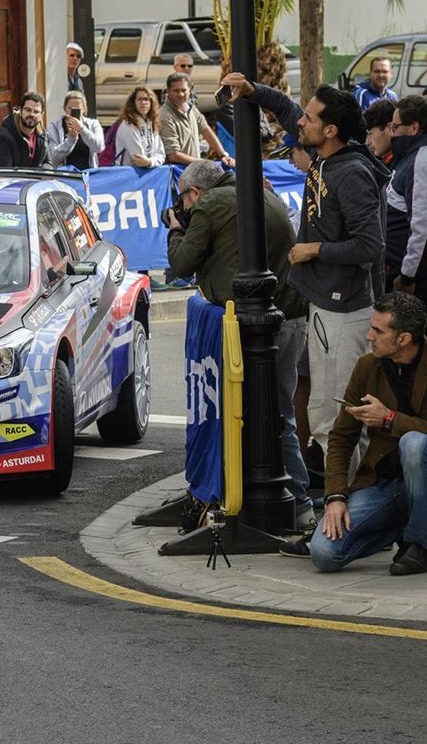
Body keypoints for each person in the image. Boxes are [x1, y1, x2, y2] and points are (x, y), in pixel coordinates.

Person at [224, 74, 386, 471]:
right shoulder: (326, 155)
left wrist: (315, 249)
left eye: (311, 119)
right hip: (325, 307)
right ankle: (342, 506)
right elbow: (287, 110)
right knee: (324, 413)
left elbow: (371, 246)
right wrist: (252, 91)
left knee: (337, 420)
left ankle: (348, 517)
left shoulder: (349, 174)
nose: (301, 123)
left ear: (330, 131)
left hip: (344, 312)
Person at [165, 160, 315, 529]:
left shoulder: (210, 204)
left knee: (272, 414)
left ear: (195, 192)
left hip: (261, 323)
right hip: (289, 314)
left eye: (184, 200)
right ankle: (280, 499)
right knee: (272, 411)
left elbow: (181, 263)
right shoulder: (258, 192)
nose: (183, 207)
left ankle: (299, 505)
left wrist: (174, 230)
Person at [288, 292, 427, 574]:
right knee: (324, 553)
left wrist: (389, 419)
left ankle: (418, 544)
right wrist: (335, 497)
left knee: (414, 444)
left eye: (378, 330)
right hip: (385, 482)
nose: (368, 335)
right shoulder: (367, 366)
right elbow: (341, 437)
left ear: (403, 339)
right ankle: (403, 526)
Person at [388, 96, 427, 301]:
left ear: (413, 128)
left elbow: (421, 226)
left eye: (395, 127)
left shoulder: (420, 162)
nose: (391, 134)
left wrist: (406, 276)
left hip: (415, 280)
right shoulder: (411, 156)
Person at [160, 72, 234, 167]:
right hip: (177, 174)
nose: (181, 94)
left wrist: (223, 154)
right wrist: (203, 164)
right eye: (176, 91)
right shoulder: (164, 116)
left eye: (183, 90)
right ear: (168, 91)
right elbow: (173, 155)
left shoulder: (191, 109)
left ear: (190, 90)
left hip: (194, 170)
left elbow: (205, 129)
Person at [0, 92, 52, 169]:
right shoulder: (2, 137)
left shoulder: (42, 135)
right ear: (21, 111)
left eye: (36, 112)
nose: (31, 114)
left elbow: (47, 163)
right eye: (28, 110)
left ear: (42, 115)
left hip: (32, 180)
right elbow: (6, 174)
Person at [45, 90, 105, 170]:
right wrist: (71, 139)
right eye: (70, 108)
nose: (72, 112)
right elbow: (53, 158)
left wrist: (82, 129)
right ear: (65, 109)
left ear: (84, 109)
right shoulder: (55, 127)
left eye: (77, 109)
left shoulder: (93, 124)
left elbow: (99, 147)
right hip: (65, 177)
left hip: (88, 176)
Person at [113, 87, 165, 167]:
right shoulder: (128, 125)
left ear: (151, 102)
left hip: (147, 173)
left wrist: (150, 162)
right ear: (133, 103)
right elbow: (138, 160)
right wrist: (151, 161)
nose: (143, 102)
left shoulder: (151, 124)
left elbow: (161, 155)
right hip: (127, 176)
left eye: (146, 99)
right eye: (139, 99)